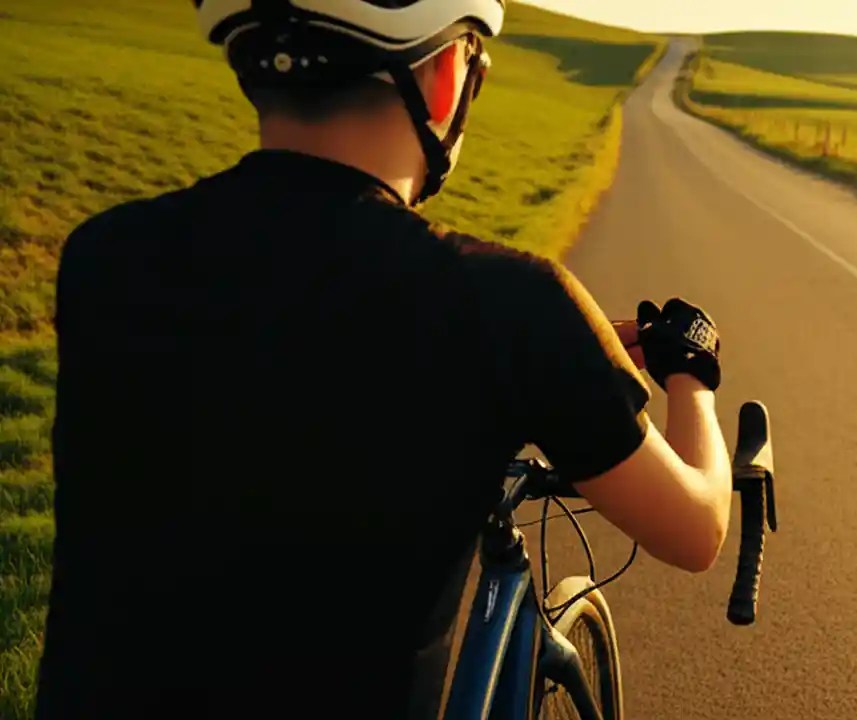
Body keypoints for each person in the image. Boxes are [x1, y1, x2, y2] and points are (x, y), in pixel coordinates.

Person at [35, 1, 731, 718]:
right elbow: (695, 528)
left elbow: (280, 356)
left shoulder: (106, 256)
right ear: (445, 78)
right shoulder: (509, 304)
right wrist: (692, 374)